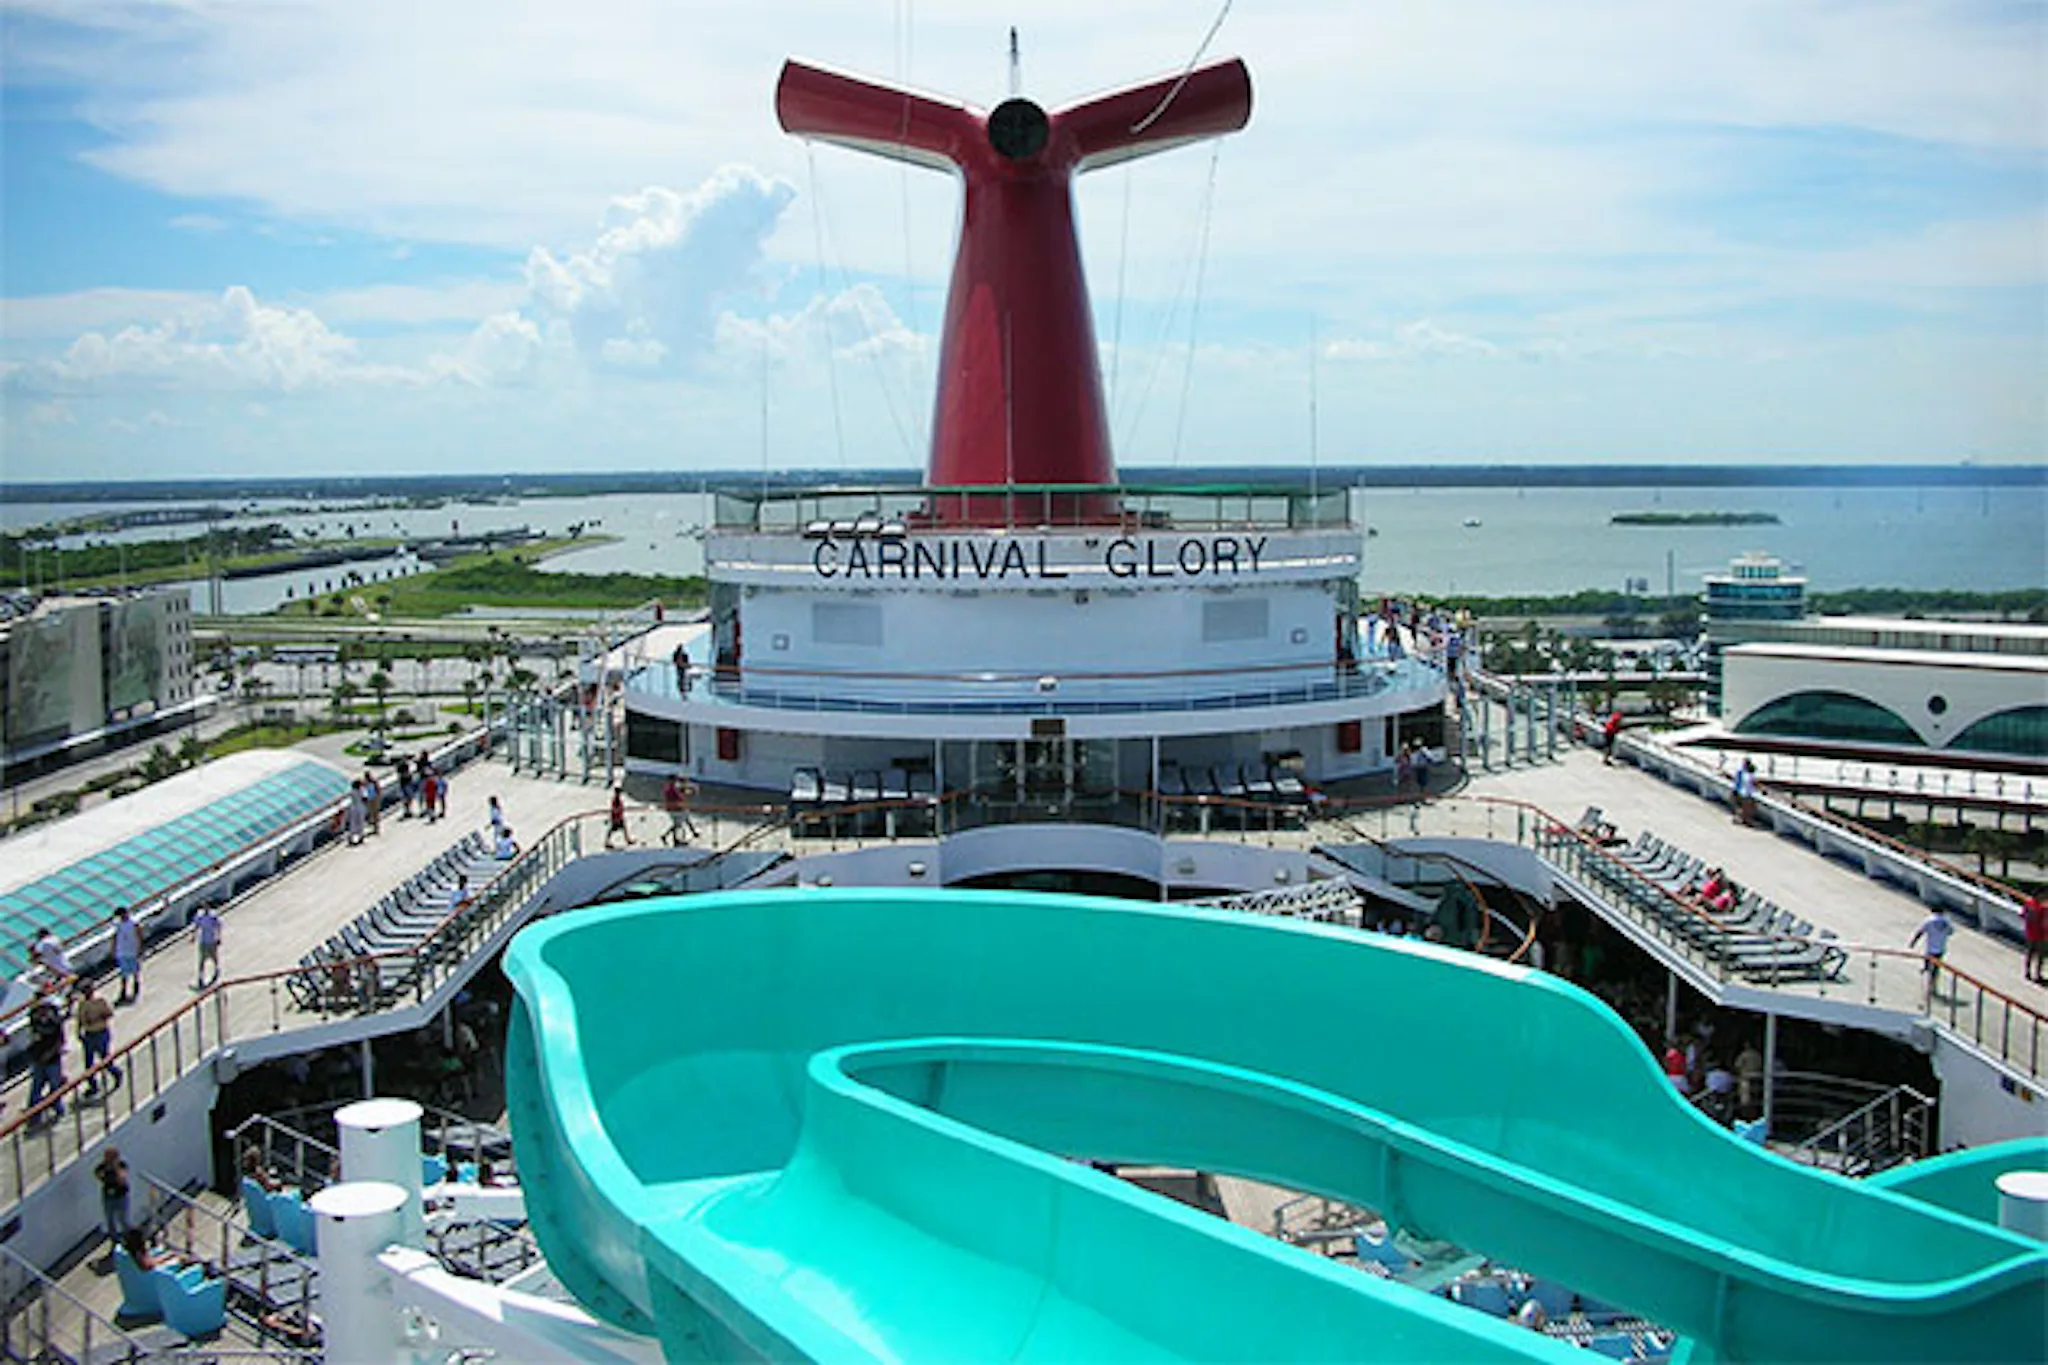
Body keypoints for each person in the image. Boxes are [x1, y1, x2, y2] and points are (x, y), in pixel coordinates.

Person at [27, 991, 67, 1121]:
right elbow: (33, 1037)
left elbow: (60, 1039)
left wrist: (51, 1053)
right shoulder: (33, 1017)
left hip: (52, 1058)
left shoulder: (54, 1019)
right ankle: (34, 1114)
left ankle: (58, 1108)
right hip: (38, 1058)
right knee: (36, 1088)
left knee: (54, 1086)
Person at [77, 979, 121, 1095]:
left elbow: (109, 1013)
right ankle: (93, 1086)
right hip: (89, 1034)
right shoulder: (82, 1003)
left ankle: (117, 1073)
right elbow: (80, 1018)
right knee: (88, 1063)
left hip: (100, 1032)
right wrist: (79, 1032)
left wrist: (97, 1018)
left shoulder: (100, 1000)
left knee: (105, 1059)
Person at [1909, 907, 1953, 995]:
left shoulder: (1929, 920)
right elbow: (1950, 932)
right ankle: (1933, 985)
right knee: (1936, 968)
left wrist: (1913, 942)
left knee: (1928, 966)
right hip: (1941, 948)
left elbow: (1920, 932)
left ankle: (1927, 982)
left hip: (1930, 948)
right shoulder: (1946, 921)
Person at [96, 1146, 131, 1240]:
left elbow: (122, 1179)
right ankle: (114, 1240)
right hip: (108, 1197)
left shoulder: (121, 1165)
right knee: (110, 1220)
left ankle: (129, 1239)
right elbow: (99, 1176)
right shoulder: (102, 1166)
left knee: (123, 1220)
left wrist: (115, 1167)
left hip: (121, 1196)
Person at [112, 905, 143, 1003]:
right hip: (122, 951)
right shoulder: (118, 925)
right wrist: (114, 949)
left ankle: (136, 988)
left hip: (132, 951)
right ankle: (123, 992)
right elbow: (115, 937)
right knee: (123, 974)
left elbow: (139, 935)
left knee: (135, 972)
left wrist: (139, 948)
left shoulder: (133, 923)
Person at [662, 773, 698, 845]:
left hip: (672, 808)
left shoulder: (669, 788)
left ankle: (692, 832)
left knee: (681, 821)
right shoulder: (672, 789)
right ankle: (669, 837)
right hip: (676, 809)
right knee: (678, 823)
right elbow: (679, 797)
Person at [192, 904, 223, 987]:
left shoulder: (213, 915)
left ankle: (216, 968)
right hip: (203, 940)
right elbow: (196, 926)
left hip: (211, 939)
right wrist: (193, 936)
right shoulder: (199, 915)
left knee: (214, 956)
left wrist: (218, 937)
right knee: (202, 959)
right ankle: (201, 975)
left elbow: (218, 926)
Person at [2024, 893, 2047, 985]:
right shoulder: (2042, 908)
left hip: (2031, 933)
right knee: (2039, 955)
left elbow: (2024, 916)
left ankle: (2029, 972)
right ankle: (2036, 974)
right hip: (2039, 935)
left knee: (2031, 954)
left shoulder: (2029, 905)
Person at [1731, 758, 1760, 826]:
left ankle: (1741, 819)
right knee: (1746, 808)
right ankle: (1745, 820)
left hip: (1744, 792)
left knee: (1744, 807)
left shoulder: (1745, 773)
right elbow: (1753, 783)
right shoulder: (1744, 773)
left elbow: (1738, 781)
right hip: (1745, 793)